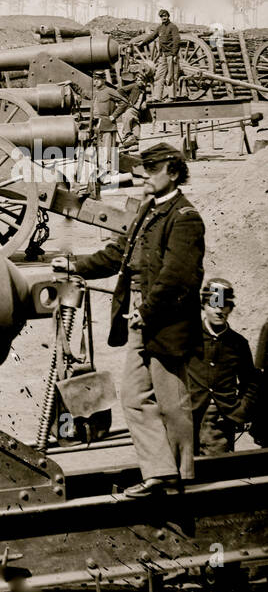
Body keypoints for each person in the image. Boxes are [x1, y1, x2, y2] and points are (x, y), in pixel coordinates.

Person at [52, 142, 204, 497]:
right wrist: (76, 265)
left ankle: (183, 475)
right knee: (134, 398)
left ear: (173, 173)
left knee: (170, 400)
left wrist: (146, 311)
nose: (143, 178)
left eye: (150, 171)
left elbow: (177, 276)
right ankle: (161, 472)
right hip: (141, 315)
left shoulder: (184, 218)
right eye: (142, 171)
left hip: (164, 319)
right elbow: (118, 253)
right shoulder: (149, 210)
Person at [187, 279, 259, 454]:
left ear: (231, 308)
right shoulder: (188, 337)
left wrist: (240, 410)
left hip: (220, 422)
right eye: (214, 304)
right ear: (204, 305)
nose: (219, 310)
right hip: (189, 418)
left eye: (224, 305)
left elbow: (250, 381)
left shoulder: (238, 343)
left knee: (217, 473)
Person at [127, 9, 182, 101]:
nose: (164, 18)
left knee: (171, 76)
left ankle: (172, 97)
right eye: (161, 16)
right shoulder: (160, 28)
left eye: (165, 16)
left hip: (171, 55)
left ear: (168, 16)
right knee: (159, 75)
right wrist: (142, 43)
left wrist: (174, 54)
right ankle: (157, 96)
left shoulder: (173, 27)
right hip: (163, 55)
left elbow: (177, 40)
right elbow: (152, 36)